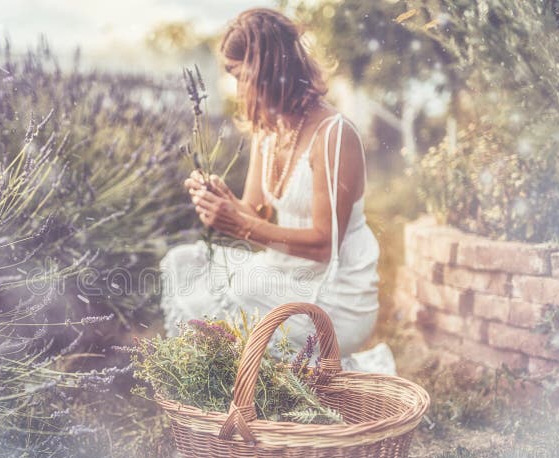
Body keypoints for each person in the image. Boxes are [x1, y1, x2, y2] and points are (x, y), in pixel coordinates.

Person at [159, 8, 395, 373]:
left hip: (336, 294)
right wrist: (222, 201)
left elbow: (322, 246)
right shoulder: (268, 131)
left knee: (242, 287)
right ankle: (280, 380)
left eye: (240, 76)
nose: (237, 89)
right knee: (185, 263)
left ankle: (325, 370)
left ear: (265, 71)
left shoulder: (334, 135)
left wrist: (238, 226)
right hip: (284, 275)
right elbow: (255, 212)